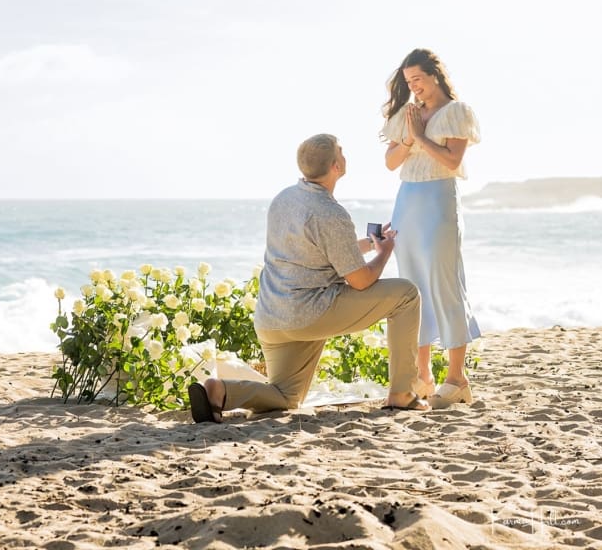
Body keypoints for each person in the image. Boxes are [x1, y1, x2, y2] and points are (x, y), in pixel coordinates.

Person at [188, 133, 428, 422]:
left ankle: (219, 390)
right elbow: (361, 281)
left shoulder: (284, 198)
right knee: (406, 294)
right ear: (336, 166)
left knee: (286, 397)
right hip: (309, 314)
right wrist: (384, 252)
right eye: (342, 151)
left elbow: (318, 250)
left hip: (271, 317)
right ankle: (402, 393)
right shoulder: (331, 213)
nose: (345, 155)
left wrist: (368, 243)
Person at [381, 48, 481, 408]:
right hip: (407, 200)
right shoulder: (407, 114)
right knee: (413, 287)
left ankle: (457, 379)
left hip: (440, 201)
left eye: (418, 80)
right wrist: (409, 137)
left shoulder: (457, 112)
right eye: (409, 82)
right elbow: (392, 163)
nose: (414, 88)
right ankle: (422, 376)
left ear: (435, 76)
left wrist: (421, 137)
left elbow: (453, 161)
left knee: (445, 282)